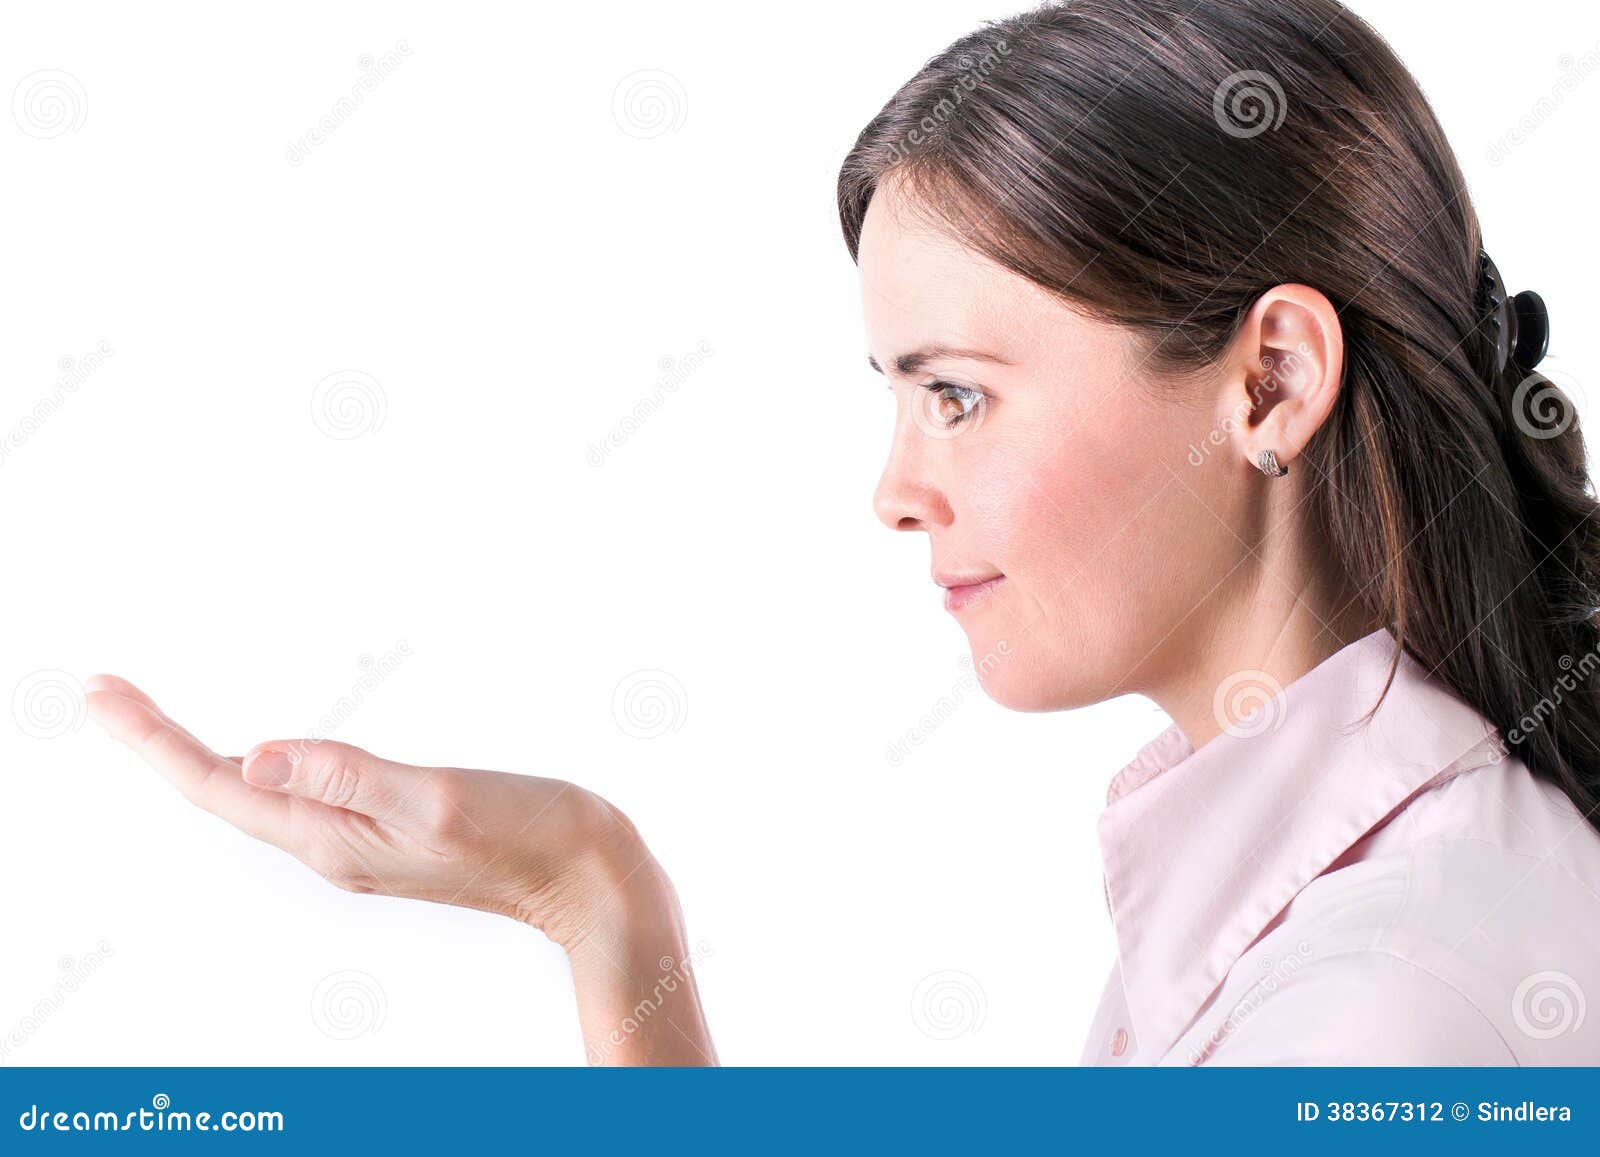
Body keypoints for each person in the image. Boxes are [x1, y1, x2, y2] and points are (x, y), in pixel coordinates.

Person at [86, 0, 1600, 1065]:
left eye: (957, 394)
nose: (895, 489)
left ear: (1268, 381)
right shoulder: (1317, 894)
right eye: (896, 394)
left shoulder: (1380, 1008)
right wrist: (597, 899)